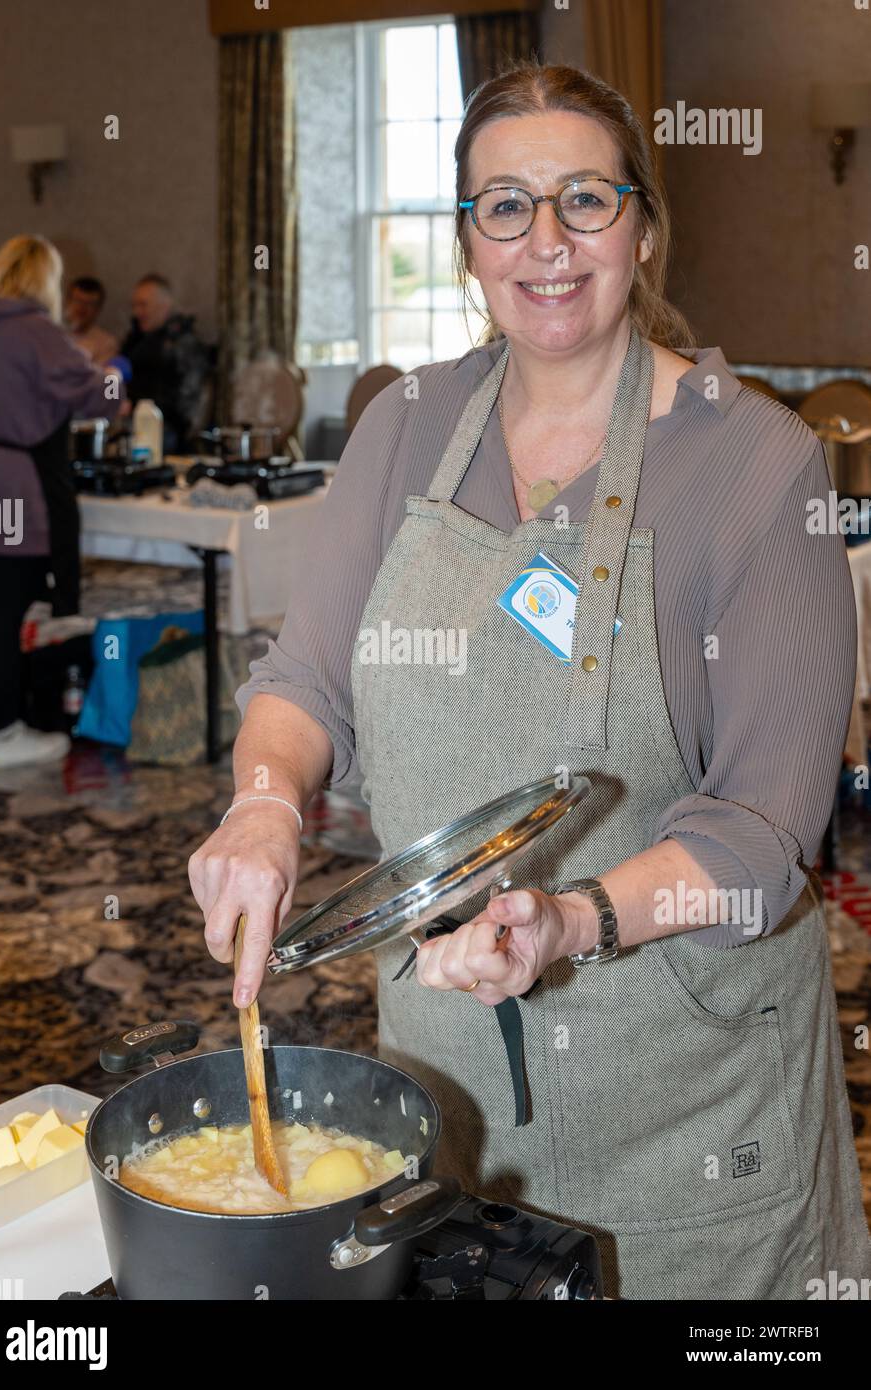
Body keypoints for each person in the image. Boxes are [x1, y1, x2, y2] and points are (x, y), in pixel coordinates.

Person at [187, 62, 871, 1299]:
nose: (544, 241)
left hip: (690, 1094)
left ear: (645, 228)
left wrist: (566, 922)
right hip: (453, 1072)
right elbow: (308, 680)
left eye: (584, 201)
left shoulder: (758, 463)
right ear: (466, 242)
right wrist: (265, 804)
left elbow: (765, 833)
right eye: (503, 205)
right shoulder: (403, 428)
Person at [0, 235, 125, 768]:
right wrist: (119, 373)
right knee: (1, 618)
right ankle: (3, 735)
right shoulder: (35, 331)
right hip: (11, 484)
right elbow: (98, 397)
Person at [120, 274, 207, 452]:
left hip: (166, 429)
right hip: (127, 422)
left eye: (143, 305)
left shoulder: (184, 343)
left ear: (164, 305)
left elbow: (186, 406)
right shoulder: (133, 340)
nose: (137, 312)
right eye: (134, 305)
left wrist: (141, 408)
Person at [64, 275, 119, 366]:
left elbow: (102, 378)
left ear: (98, 309)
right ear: (67, 302)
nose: (82, 308)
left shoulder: (107, 344)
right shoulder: (53, 334)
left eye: (90, 304)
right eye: (78, 301)